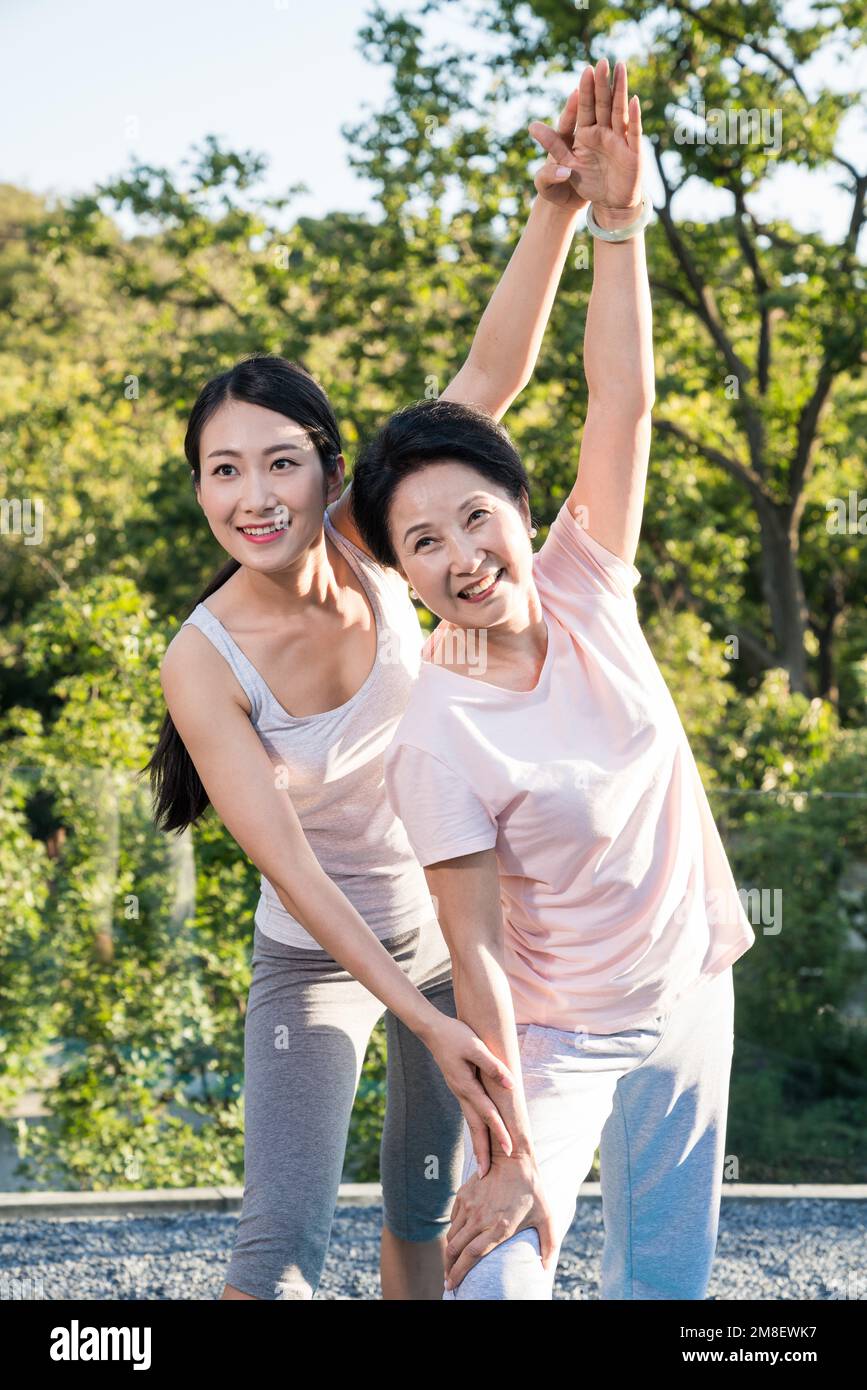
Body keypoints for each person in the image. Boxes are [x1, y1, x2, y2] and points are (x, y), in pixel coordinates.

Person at [146, 90, 592, 1301]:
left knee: (419, 1213)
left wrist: (554, 209)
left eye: (280, 461)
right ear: (199, 488)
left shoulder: (361, 538)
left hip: (450, 929)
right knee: (275, 1251)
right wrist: (419, 1019)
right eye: (222, 470)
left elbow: (487, 378)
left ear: (329, 470)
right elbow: (294, 871)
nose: (253, 494)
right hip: (316, 957)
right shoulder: (202, 660)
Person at [349, 58, 755, 1300]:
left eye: (477, 519)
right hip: (557, 1032)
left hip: (689, 987)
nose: (463, 557)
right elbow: (476, 961)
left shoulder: (587, 577)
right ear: (404, 577)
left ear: (524, 511)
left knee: (667, 1292)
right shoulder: (435, 732)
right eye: (423, 544)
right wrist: (515, 1149)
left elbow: (619, 404)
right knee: (497, 1276)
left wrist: (618, 221)